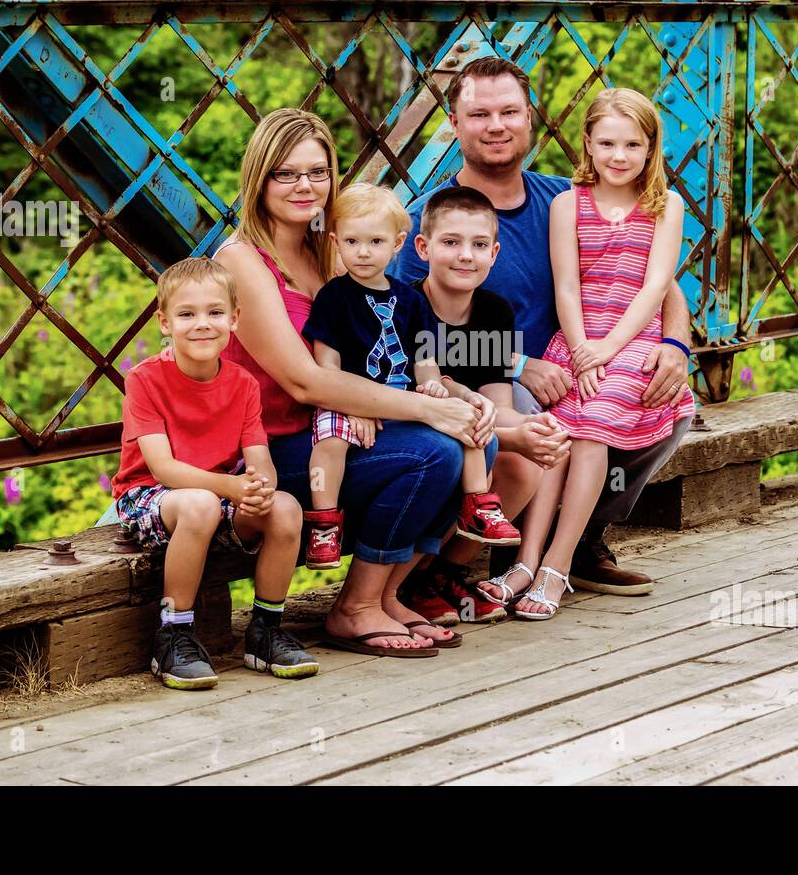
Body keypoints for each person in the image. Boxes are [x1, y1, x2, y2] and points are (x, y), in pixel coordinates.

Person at [392, 57, 696, 602]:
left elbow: (659, 281)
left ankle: (579, 539)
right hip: (489, 381)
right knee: (556, 427)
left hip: (583, 359)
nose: (496, 125)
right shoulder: (434, 222)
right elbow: (411, 335)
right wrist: (519, 364)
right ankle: (462, 567)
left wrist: (674, 343)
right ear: (453, 123)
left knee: (672, 403)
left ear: (530, 118)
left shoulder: (564, 197)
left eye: (510, 111)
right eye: (479, 113)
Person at [213, 108, 496, 657]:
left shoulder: (334, 253)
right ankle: (354, 607)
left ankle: (386, 595)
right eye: (285, 173)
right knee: (432, 451)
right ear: (259, 178)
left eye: (317, 173)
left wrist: (456, 398)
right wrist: (424, 409)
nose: (304, 187)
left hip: (337, 431)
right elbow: (302, 381)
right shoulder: (243, 261)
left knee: (480, 439)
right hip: (266, 452)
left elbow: (375, 353)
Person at [480, 87, 696, 619]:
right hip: (578, 338)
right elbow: (568, 287)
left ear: (651, 149)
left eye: (632, 145)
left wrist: (610, 348)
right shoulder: (567, 203)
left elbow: (657, 287)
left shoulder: (665, 205)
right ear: (588, 144)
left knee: (593, 425)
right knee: (559, 428)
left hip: (632, 337)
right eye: (606, 143)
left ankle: (558, 563)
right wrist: (580, 348)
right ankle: (525, 563)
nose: (618, 156)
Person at [112, 257, 318, 688]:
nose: (202, 324)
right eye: (186, 314)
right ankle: (174, 633)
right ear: (164, 322)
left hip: (219, 495)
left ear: (235, 319)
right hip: (152, 496)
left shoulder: (243, 383)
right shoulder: (146, 380)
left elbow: (258, 454)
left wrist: (261, 487)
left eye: (215, 312)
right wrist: (231, 486)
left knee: (286, 509)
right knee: (201, 504)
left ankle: (265, 630)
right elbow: (163, 468)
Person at [300, 182, 521, 573]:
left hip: (402, 398)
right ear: (335, 241)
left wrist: (435, 384)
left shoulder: (410, 300)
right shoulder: (334, 297)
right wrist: (350, 406)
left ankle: (478, 503)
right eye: (352, 241)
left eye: (375, 241)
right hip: (346, 403)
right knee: (331, 441)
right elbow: (325, 368)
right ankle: (324, 523)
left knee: (461, 418)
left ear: (398, 243)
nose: (364, 251)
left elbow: (424, 358)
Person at [396, 186, 573, 625]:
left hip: (475, 432)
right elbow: (423, 408)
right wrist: (513, 435)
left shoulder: (494, 311)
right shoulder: (407, 309)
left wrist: (535, 426)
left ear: (494, 253)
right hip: (422, 433)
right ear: (423, 247)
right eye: (451, 242)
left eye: (478, 245)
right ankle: (404, 580)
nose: (465, 256)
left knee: (527, 463)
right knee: (481, 455)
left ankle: (442, 574)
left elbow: (499, 402)